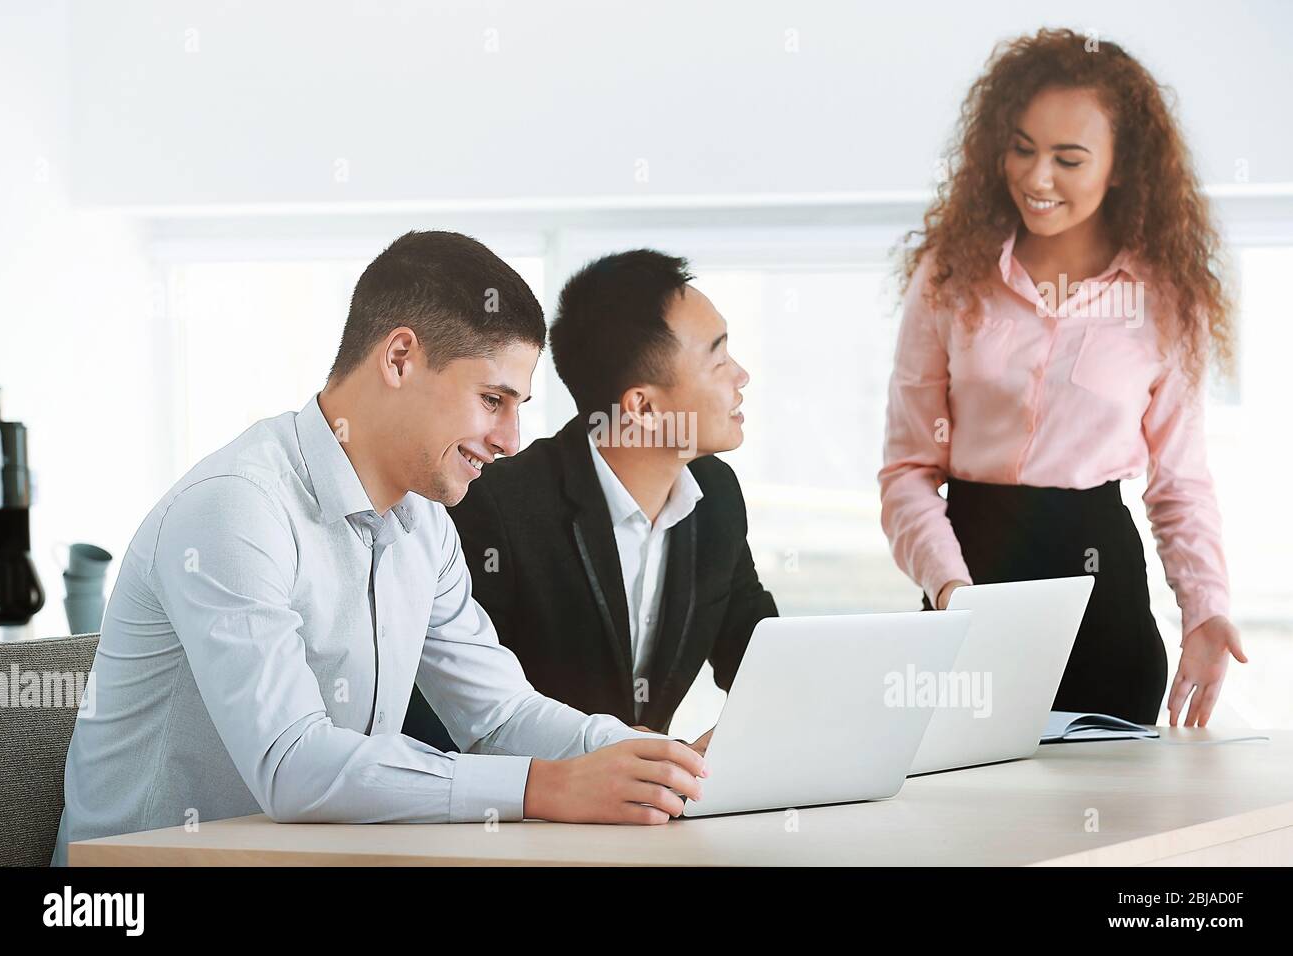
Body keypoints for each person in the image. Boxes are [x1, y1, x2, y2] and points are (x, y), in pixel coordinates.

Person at [52, 231, 708, 865]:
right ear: (400, 358)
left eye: (518, 407)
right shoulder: (234, 508)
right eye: (492, 400)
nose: (510, 440)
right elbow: (293, 764)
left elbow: (499, 714)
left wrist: (659, 762)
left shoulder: (425, 526)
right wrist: (545, 787)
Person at [878, 29, 1245, 728]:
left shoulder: (1167, 297)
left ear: (1121, 167)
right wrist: (953, 590)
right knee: (960, 827)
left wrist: (1205, 610)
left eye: (1068, 159)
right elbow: (906, 470)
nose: (1036, 178)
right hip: (964, 583)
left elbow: (1180, 483)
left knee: (1105, 828)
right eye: (1022, 148)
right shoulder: (948, 276)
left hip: (1100, 600)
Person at [403, 250, 776, 751]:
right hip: (528, 815)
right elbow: (447, 714)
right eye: (719, 359)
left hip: (648, 813)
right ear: (642, 407)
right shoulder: (497, 506)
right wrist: (624, 756)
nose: (742, 376)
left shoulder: (717, 496)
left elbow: (760, 657)